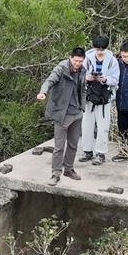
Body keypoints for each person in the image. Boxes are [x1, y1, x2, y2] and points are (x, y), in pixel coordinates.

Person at [36, 46, 87, 183]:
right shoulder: (61, 68)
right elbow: (49, 80)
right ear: (70, 58)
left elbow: (82, 89)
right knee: (59, 147)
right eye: (75, 60)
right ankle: (55, 174)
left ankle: (68, 169)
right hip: (62, 114)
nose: (77, 63)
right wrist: (43, 92)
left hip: (77, 113)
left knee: (73, 144)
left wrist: (83, 106)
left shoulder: (83, 70)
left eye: (80, 61)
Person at [79, 36, 119, 165]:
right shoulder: (87, 59)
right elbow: (79, 75)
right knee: (86, 125)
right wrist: (87, 78)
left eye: (102, 49)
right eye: (98, 49)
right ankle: (87, 151)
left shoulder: (112, 61)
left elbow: (115, 79)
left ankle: (101, 153)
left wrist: (105, 79)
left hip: (104, 97)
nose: (100, 51)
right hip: (89, 96)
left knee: (103, 126)